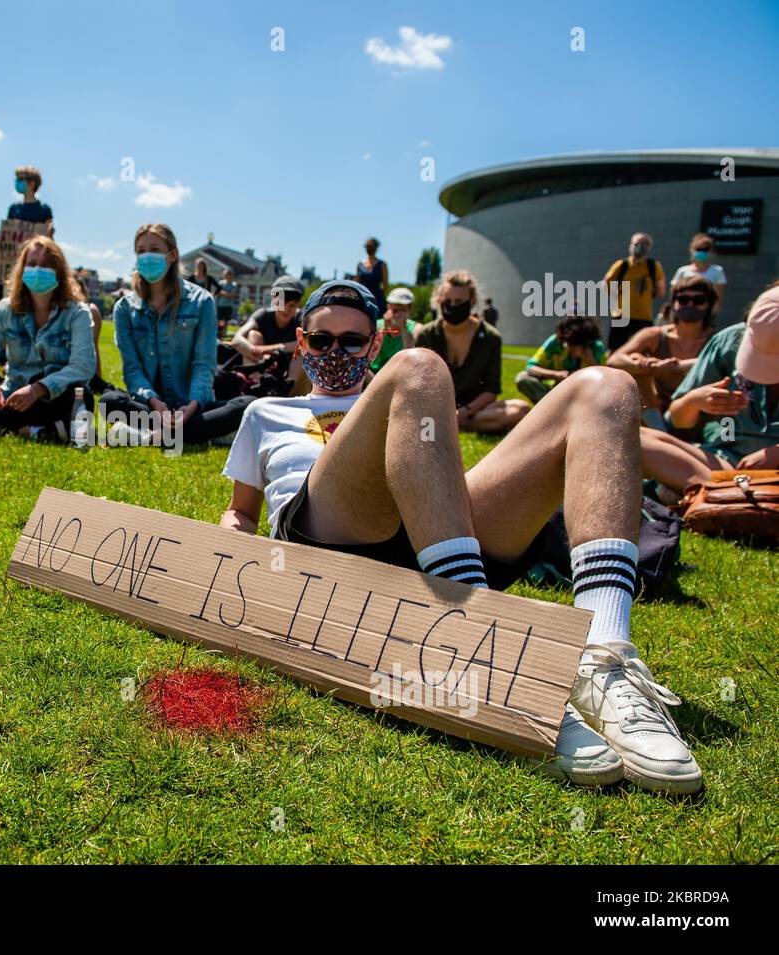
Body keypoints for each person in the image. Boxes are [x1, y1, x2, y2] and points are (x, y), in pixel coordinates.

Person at [220, 279, 702, 793]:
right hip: (326, 537)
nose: (335, 352)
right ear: (301, 342)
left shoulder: (407, 397)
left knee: (607, 387)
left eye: (352, 341)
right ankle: (485, 646)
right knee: (420, 366)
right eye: (321, 341)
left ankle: (604, 658)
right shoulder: (266, 412)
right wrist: (235, 553)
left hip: (430, 543)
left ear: (375, 343)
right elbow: (240, 513)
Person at [100, 224, 256, 445]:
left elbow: (204, 364)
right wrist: (155, 402)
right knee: (109, 402)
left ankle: (151, 435)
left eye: (154, 249)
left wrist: (192, 405)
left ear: (172, 255)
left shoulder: (202, 302)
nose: (146, 256)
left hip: (191, 405)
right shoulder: (124, 308)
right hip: (150, 405)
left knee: (250, 405)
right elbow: (132, 370)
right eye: (141, 251)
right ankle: (199, 434)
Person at [0, 235, 94, 440]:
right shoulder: (4, 310)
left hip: (50, 396)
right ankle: (33, 429)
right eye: (32, 263)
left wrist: (37, 390)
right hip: (9, 394)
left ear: (59, 272)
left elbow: (83, 366)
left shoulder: (77, 313)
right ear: (22, 269)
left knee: (81, 396)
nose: (38, 269)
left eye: (45, 264)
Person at [641, 283, 779, 496]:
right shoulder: (728, 342)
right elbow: (676, 419)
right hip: (723, 459)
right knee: (633, 437)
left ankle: (711, 489)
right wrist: (695, 400)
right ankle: (727, 488)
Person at [414, 270, 529, 433]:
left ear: (472, 301)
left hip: (474, 410)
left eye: (459, 301)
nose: (452, 306)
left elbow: (491, 390)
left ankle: (451, 424)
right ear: (439, 301)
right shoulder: (427, 334)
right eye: (448, 301)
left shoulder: (491, 337)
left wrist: (464, 412)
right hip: (435, 407)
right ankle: (451, 423)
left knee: (520, 409)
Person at [607, 275, 714, 429]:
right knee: (634, 362)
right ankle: (660, 431)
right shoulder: (655, 335)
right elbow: (615, 360)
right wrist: (648, 366)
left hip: (697, 414)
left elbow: (718, 363)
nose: (690, 304)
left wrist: (676, 367)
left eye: (698, 300)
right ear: (674, 303)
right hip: (658, 412)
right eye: (683, 299)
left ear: (709, 305)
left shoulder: (716, 340)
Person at [0, 165, 55, 311]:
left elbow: (49, 236)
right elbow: (6, 239)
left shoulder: (43, 209)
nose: (17, 183)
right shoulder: (13, 209)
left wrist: (49, 233)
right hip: (12, 264)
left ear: (32, 183)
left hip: (32, 265)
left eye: (21, 179)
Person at [515, 315, 607, 406]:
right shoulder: (556, 342)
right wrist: (556, 374)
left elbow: (606, 382)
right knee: (523, 378)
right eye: (570, 343)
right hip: (556, 392)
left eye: (575, 344)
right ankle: (553, 407)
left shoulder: (597, 348)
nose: (570, 348)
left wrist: (592, 362)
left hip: (584, 396)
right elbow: (531, 367)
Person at [602, 232, 666, 351]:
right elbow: (605, 284)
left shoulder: (654, 267)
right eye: (637, 243)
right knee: (615, 349)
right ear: (631, 245)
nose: (640, 246)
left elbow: (661, 291)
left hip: (644, 316)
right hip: (621, 315)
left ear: (649, 247)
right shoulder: (622, 265)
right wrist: (619, 298)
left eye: (645, 244)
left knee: (643, 350)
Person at [232, 274, 304, 361]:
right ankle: (255, 373)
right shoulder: (263, 315)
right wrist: (258, 354)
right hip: (260, 362)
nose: (286, 309)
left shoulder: (301, 319)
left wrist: (265, 349)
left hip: (290, 364)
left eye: (291, 305)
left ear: (298, 305)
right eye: (281, 304)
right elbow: (237, 338)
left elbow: (307, 344)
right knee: (254, 335)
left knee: (303, 349)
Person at [670, 233, 727, 316]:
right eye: (699, 249)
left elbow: (718, 298)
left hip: (706, 313)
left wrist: (711, 315)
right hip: (684, 312)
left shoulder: (717, 271)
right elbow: (673, 295)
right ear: (692, 251)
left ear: (711, 251)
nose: (702, 252)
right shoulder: (682, 271)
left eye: (705, 250)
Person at [370, 286, 418, 373]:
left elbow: (411, 361)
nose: (398, 314)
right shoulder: (375, 325)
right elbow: (372, 358)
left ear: (410, 310)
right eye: (395, 310)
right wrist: (384, 329)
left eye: (402, 310)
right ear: (388, 307)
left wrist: (403, 328)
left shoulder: (416, 329)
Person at [353, 237, 388, 311]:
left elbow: (385, 285)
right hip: (363, 299)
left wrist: (379, 297)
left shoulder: (382, 264)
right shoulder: (360, 264)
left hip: (377, 300)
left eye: (371, 246)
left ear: (376, 247)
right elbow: (357, 283)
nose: (368, 248)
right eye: (367, 246)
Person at [216, 267, 240, 334]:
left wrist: (222, 293)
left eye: (229, 274)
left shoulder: (234, 284)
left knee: (226, 320)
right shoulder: (221, 283)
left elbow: (232, 296)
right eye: (226, 274)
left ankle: (224, 333)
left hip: (228, 305)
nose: (227, 276)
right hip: (220, 305)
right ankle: (218, 332)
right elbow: (217, 292)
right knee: (219, 319)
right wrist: (227, 294)